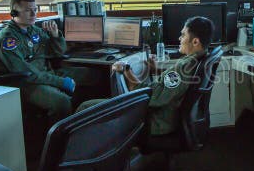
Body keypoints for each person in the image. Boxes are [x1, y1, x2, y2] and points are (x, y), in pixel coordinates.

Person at [75, 16, 213, 136]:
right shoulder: (198, 59)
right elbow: (175, 84)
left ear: (195, 42)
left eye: (183, 35)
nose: (179, 38)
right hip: (167, 116)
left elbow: (151, 97)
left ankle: (79, 160)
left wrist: (126, 70)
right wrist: (155, 69)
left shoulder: (184, 66)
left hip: (155, 121)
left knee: (85, 106)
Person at [0, 0, 98, 124]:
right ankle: (60, 139)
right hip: (27, 83)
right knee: (61, 102)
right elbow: (26, 72)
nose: (33, 14)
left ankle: (87, 120)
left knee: (92, 75)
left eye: (35, 9)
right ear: (14, 13)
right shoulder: (8, 39)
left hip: (46, 74)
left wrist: (55, 36)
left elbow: (58, 52)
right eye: (28, 10)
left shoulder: (34, 31)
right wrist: (60, 82)